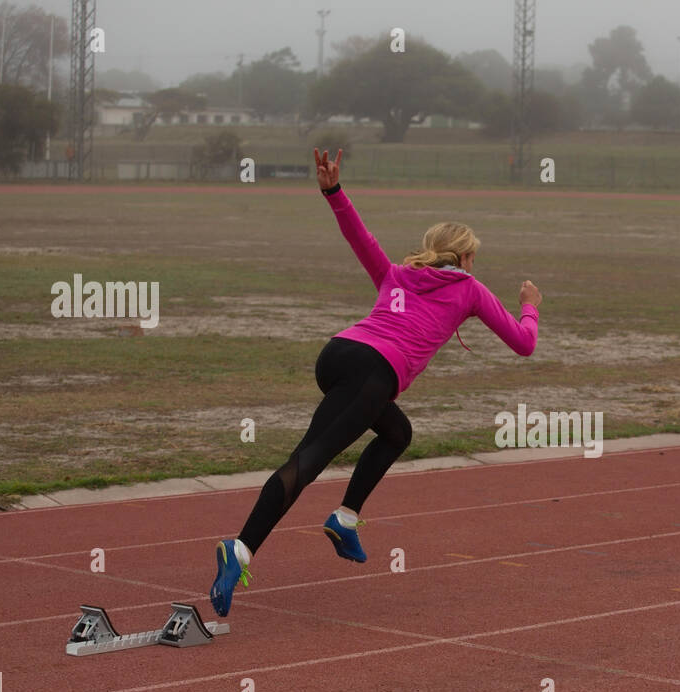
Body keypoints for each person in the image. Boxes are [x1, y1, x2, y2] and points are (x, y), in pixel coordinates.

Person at [210, 148, 542, 616]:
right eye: (473, 257)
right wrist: (530, 304)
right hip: (373, 371)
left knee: (397, 432)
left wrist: (334, 192)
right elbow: (524, 343)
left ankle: (345, 519)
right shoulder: (469, 288)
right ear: (466, 256)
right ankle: (239, 550)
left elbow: (359, 237)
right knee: (307, 461)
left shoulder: (398, 274)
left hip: (338, 355)